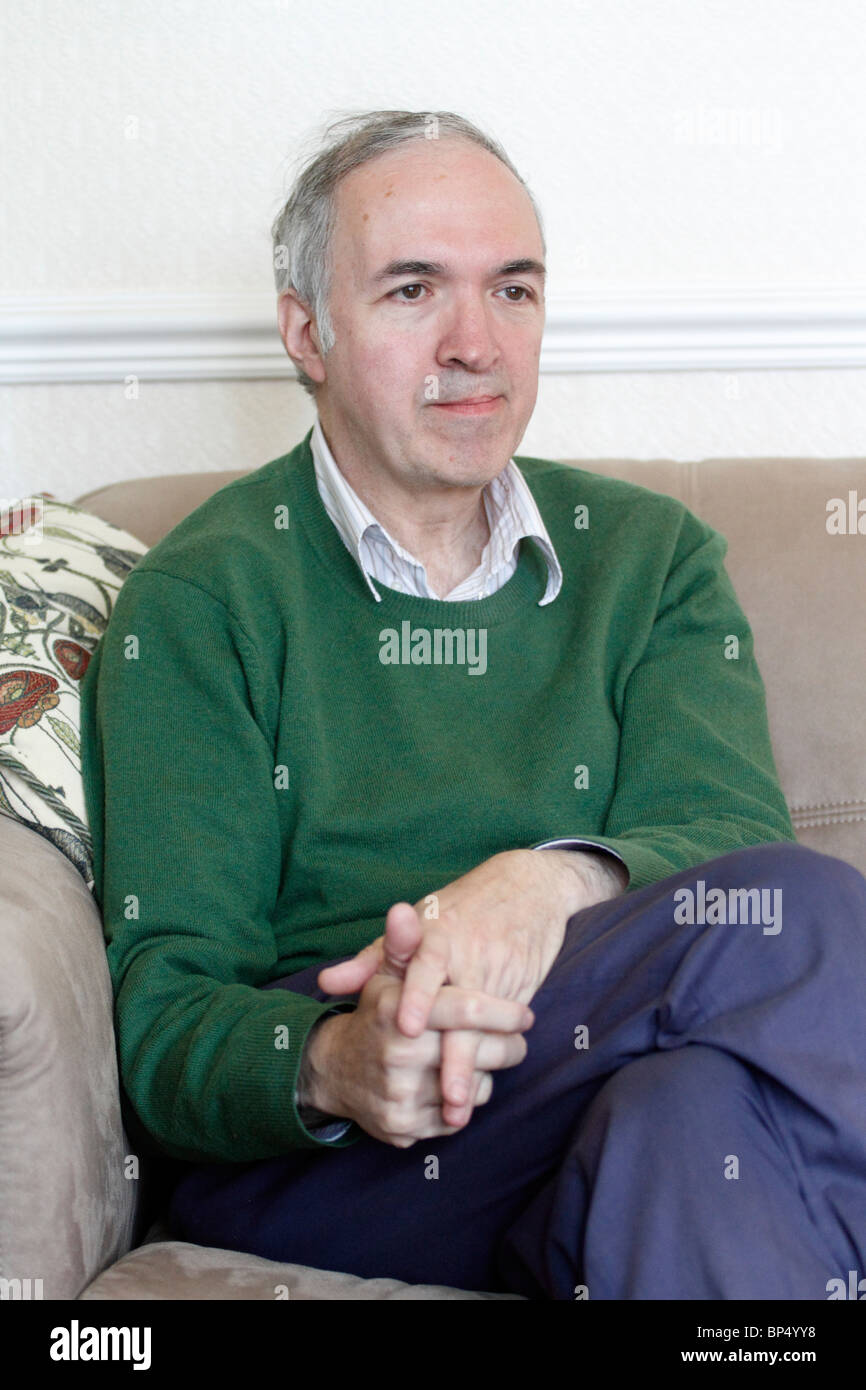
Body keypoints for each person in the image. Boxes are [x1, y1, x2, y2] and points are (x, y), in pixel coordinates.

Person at [79, 109, 866, 1300]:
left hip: (583, 1115)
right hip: (346, 1166)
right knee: (796, 914)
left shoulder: (649, 561)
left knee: (690, 1118)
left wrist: (544, 881)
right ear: (309, 331)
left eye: (512, 289)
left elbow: (726, 843)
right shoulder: (201, 597)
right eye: (411, 292)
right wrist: (335, 1061)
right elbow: (166, 1012)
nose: (475, 343)